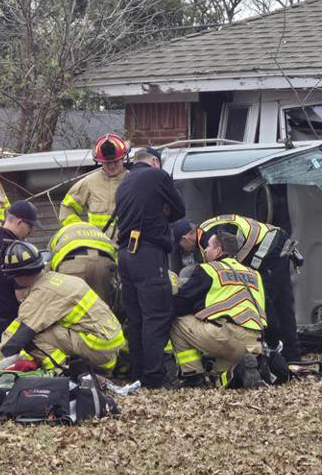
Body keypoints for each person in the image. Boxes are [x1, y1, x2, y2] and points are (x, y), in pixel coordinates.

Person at [0, 240, 124, 374]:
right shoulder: (58, 280)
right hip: (110, 345)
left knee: (32, 338)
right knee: (44, 328)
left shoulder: (41, 295)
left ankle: (63, 373)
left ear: (19, 277)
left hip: (98, 348)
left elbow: (17, 340)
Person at [115, 147, 185, 389]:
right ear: (155, 161)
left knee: (135, 318)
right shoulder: (157, 175)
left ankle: (138, 373)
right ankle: (154, 377)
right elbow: (180, 209)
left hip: (125, 254)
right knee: (156, 315)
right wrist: (164, 211)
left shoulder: (123, 184)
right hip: (148, 253)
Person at [197, 214, 302, 362]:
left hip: (268, 246)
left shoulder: (208, 236)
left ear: (186, 237)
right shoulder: (207, 228)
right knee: (283, 302)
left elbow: (226, 259)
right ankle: (292, 355)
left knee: (258, 296)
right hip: (275, 240)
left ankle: (267, 349)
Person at [171, 232, 265, 388]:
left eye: (208, 246)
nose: (205, 250)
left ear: (218, 251)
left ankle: (193, 376)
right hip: (254, 342)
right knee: (218, 378)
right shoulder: (254, 274)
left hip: (226, 336)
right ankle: (241, 370)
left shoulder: (209, 269)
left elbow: (181, 303)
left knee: (177, 322)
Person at [0, 201, 40, 348]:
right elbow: (21, 297)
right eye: (30, 226)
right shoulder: (15, 251)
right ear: (20, 222)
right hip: (2, 328)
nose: (31, 232)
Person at [59, 133, 128, 236]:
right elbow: (67, 208)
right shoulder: (89, 182)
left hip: (126, 246)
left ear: (123, 158)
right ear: (100, 162)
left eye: (116, 161)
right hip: (98, 247)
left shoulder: (133, 181)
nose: (112, 166)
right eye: (107, 163)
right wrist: (80, 233)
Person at [48, 222, 118, 311]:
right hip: (103, 264)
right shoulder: (96, 231)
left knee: (72, 309)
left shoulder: (60, 234)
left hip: (71, 265)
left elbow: (49, 265)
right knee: (101, 309)